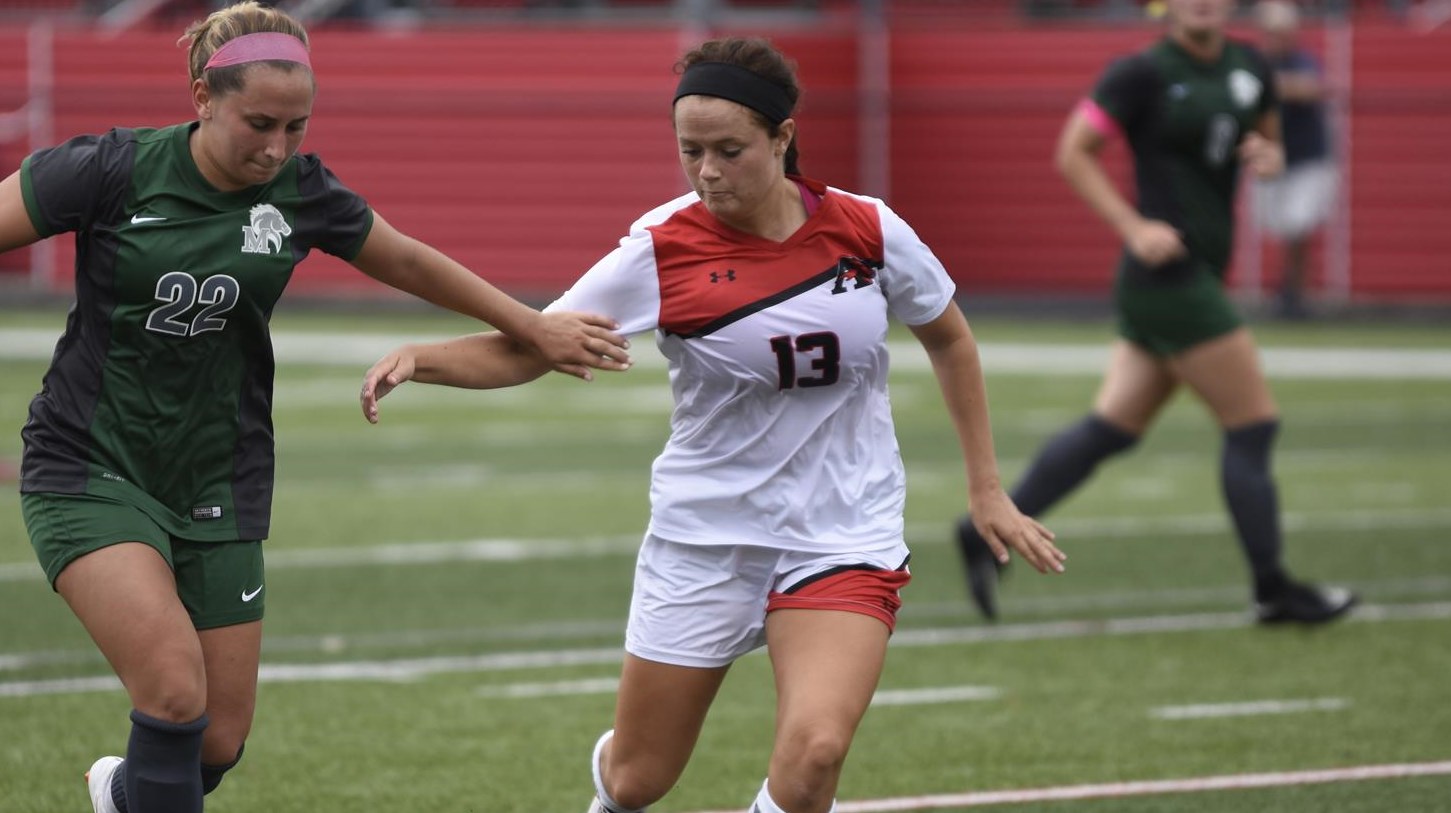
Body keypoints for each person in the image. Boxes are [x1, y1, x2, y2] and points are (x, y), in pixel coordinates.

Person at [359, 36, 1065, 813]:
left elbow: (950, 338)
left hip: (841, 531)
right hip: (706, 537)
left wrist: (987, 490)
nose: (707, 172)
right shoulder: (660, 249)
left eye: (729, 150)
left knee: (814, 757)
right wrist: (422, 359)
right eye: (690, 151)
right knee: (639, 777)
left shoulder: (867, 230)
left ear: (782, 137)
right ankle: (613, 771)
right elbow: (533, 347)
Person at [0, 3, 630, 812]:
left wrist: (532, 325)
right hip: (89, 464)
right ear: (202, 97)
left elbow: (404, 258)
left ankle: (124, 793)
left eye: (295, 127)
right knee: (172, 692)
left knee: (218, 738)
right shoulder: (110, 170)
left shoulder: (299, 189)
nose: (276, 147)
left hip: (217, 475)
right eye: (258, 123)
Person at [952, 0, 1356, 626]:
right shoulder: (1139, 72)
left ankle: (981, 533)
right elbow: (1073, 151)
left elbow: (1269, 140)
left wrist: (1268, 157)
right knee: (1253, 427)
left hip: (1194, 275)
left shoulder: (1251, 65)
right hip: (1169, 278)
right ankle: (1273, 588)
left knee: (1113, 428)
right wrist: (1132, 226)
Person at [1252, 0, 1337, 319]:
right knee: (1277, 226)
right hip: (1275, 158)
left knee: (1298, 224)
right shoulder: (1260, 64)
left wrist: (1272, 88)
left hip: (1306, 159)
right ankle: (1287, 289)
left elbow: (1309, 88)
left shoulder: (1302, 61)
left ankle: (1294, 293)